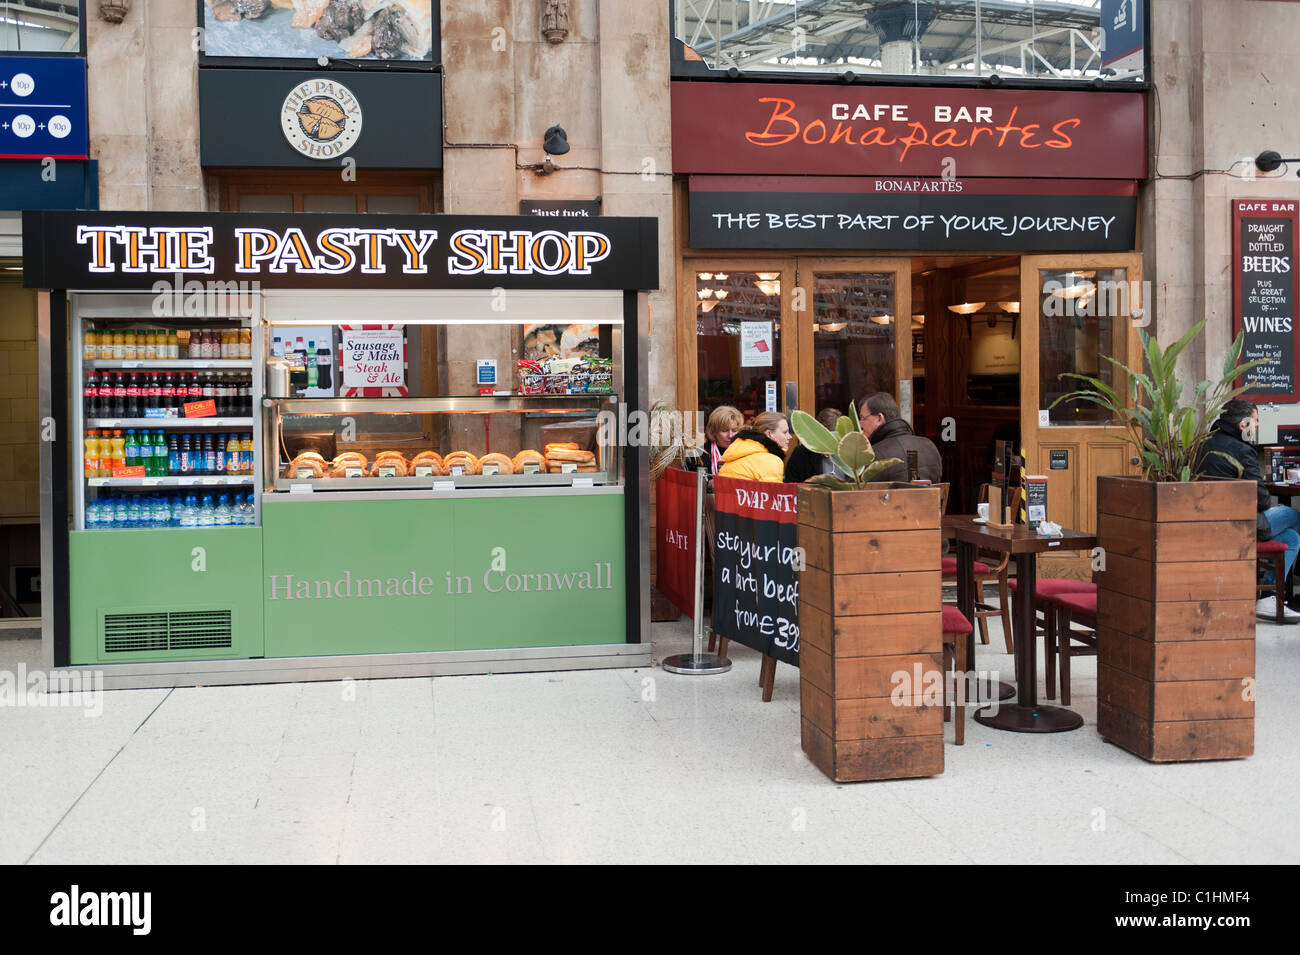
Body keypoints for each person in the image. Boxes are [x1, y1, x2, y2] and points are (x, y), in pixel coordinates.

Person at [1198, 398, 1300, 622]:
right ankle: (1268, 595)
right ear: (1242, 425)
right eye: (1255, 421)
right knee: (1294, 516)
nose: (1257, 426)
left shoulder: (1203, 443)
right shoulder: (1243, 451)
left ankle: (1270, 596)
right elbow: (1262, 501)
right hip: (1241, 526)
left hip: (1209, 524)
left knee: (1291, 538)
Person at [857, 392, 942, 482]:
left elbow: (854, 491)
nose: (860, 424)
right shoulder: (929, 446)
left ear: (879, 418)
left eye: (863, 418)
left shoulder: (873, 455)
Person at [718, 411, 790, 482]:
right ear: (769, 434)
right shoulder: (772, 461)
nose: (789, 437)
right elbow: (772, 493)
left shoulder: (740, 448)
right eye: (785, 432)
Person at [784, 407, 849, 483]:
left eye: (835, 440)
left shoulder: (851, 455)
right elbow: (791, 486)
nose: (829, 446)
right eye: (825, 439)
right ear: (817, 436)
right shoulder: (801, 454)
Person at [687, 405, 743, 475]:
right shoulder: (697, 457)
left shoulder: (744, 453)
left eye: (734, 430)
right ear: (713, 431)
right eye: (724, 431)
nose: (730, 436)